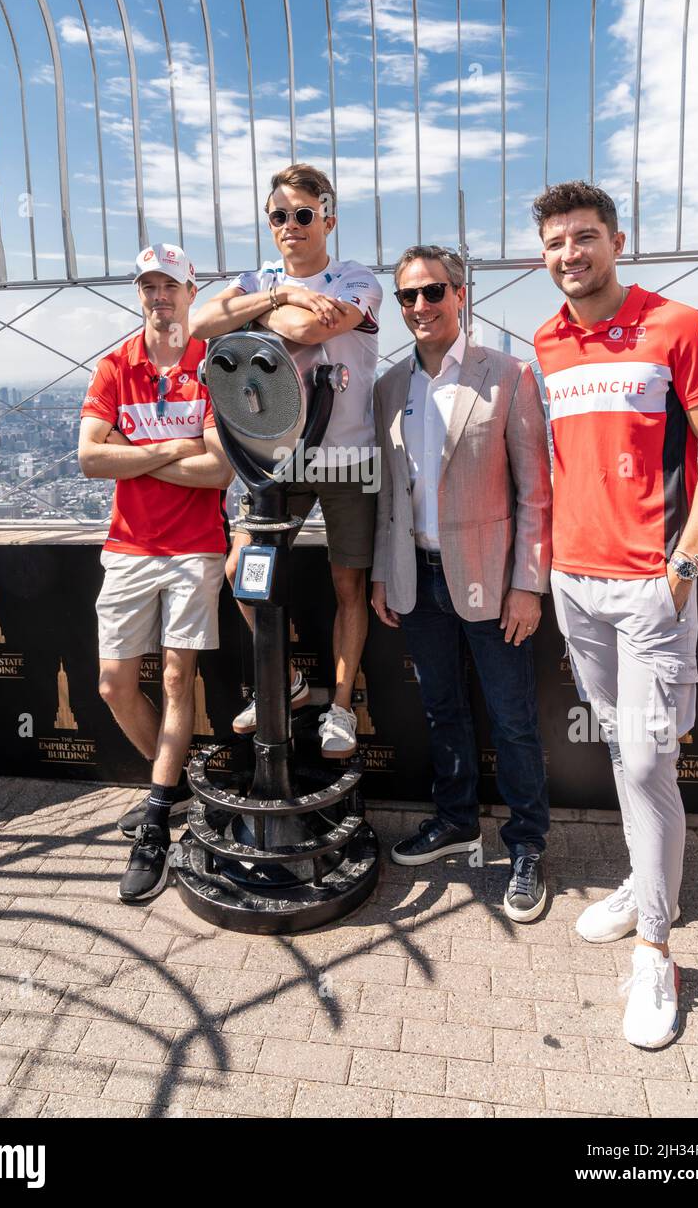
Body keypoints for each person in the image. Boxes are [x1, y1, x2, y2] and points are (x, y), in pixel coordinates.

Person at [533, 181, 698, 1046]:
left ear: (619, 240)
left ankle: (657, 949)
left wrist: (681, 572)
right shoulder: (547, 341)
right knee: (625, 749)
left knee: (650, 761)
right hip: (574, 585)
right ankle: (645, 882)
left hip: (651, 590)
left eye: (585, 237)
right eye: (555, 243)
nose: (569, 254)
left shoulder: (678, 327)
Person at [371, 245, 552, 921]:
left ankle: (528, 844)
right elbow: (391, 494)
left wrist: (529, 584)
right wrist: (383, 579)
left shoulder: (507, 376)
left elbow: (537, 492)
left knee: (513, 722)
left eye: (433, 292)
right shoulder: (391, 386)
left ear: (461, 293)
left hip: (491, 581)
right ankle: (456, 821)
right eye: (408, 297)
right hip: (416, 579)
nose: (420, 306)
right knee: (442, 713)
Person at [190, 164, 382, 760]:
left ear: (328, 216)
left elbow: (304, 329)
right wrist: (281, 293)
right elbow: (197, 323)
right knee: (240, 570)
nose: (291, 225)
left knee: (347, 582)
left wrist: (255, 310)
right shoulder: (259, 278)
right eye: (279, 215)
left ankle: (342, 708)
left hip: (348, 452)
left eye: (304, 213)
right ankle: (285, 681)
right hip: (277, 453)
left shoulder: (356, 278)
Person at [78, 243, 233, 903]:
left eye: (170, 286)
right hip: (129, 546)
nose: (159, 297)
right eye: (149, 286)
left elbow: (220, 469)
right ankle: (178, 781)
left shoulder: (214, 365)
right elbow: (88, 458)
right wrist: (176, 448)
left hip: (197, 545)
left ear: (191, 293)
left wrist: (135, 452)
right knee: (116, 685)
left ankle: (155, 822)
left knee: (176, 678)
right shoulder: (116, 364)